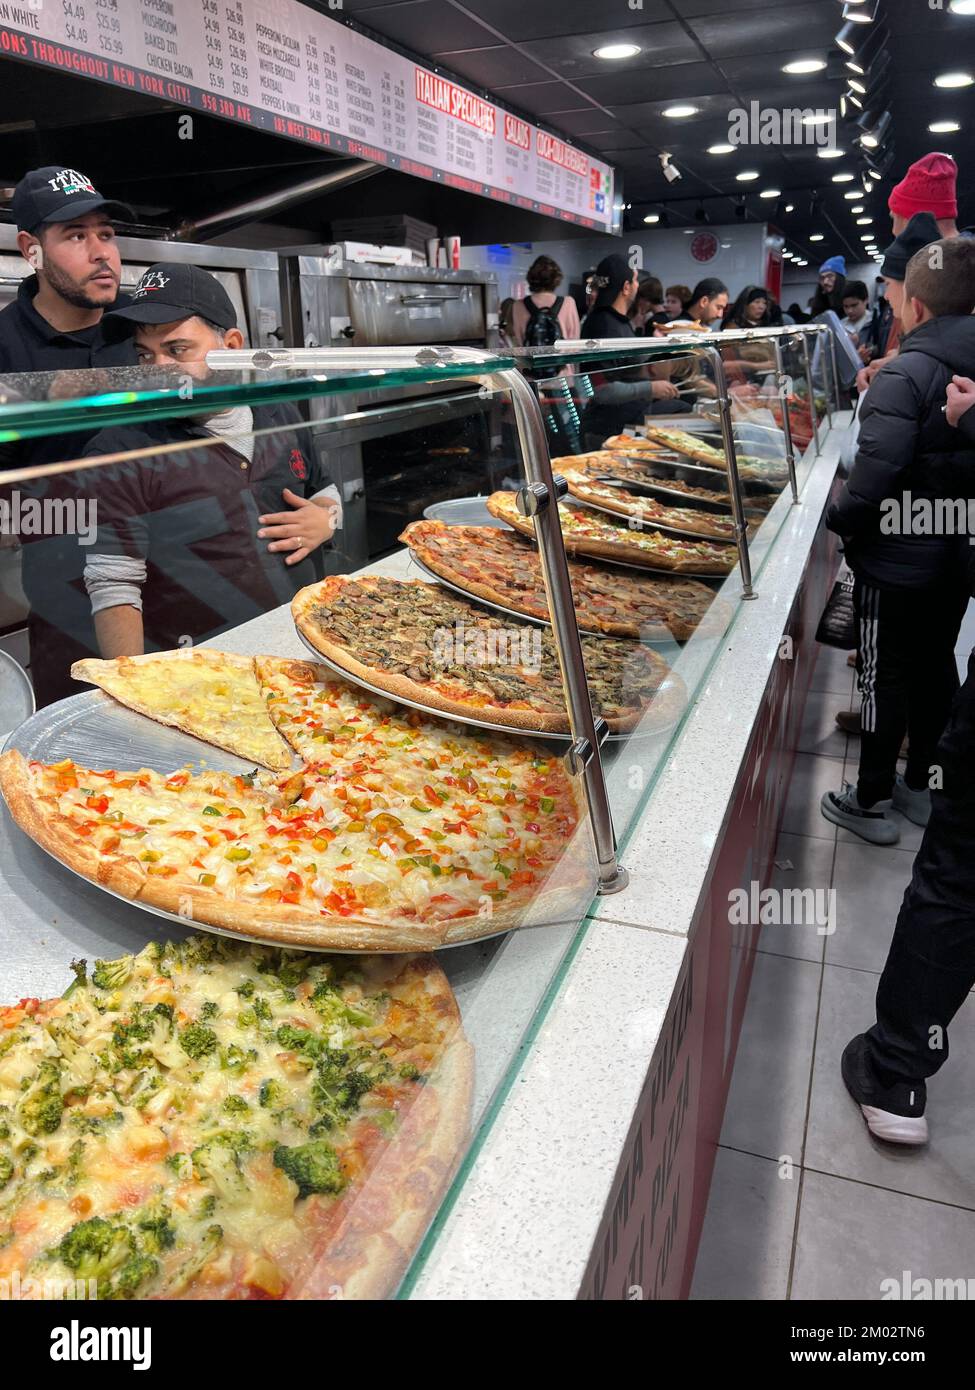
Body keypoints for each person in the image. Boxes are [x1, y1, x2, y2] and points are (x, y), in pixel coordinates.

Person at [843, 372, 975, 1144]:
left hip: (906, 565)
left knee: (957, 879)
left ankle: (895, 1077)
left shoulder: (918, 368)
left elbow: (882, 471)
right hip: (941, 576)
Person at [81, 264, 338, 658]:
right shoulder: (121, 450)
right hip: (202, 669)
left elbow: (324, 489)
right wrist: (128, 686)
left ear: (232, 347)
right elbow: (113, 584)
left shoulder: (280, 414)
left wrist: (327, 519)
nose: (160, 371)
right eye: (145, 355)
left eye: (177, 349)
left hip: (308, 642)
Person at [822, 235, 975, 845]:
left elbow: (873, 481)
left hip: (895, 561)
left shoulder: (906, 372)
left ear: (914, 305)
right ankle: (921, 787)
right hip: (955, 555)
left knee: (884, 676)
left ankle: (868, 799)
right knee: (938, 667)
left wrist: (840, 522)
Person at [0, 165, 138, 707]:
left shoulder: (142, 324)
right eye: (76, 236)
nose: (101, 252)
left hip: (175, 567)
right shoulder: (5, 348)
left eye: (105, 233)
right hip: (66, 593)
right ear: (31, 249)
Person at [506, 255, 581, 349]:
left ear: (531, 278)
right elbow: (574, 343)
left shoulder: (518, 305)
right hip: (562, 362)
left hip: (531, 362)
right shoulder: (568, 302)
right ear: (556, 279)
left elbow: (519, 341)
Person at [888, 151, 960, 239]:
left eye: (895, 219)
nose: (894, 230)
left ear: (912, 220)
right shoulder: (967, 250)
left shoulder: (922, 251)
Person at [838, 280, 879, 364]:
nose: (850, 311)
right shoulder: (839, 326)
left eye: (854, 305)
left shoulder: (876, 322)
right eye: (846, 306)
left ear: (866, 300)